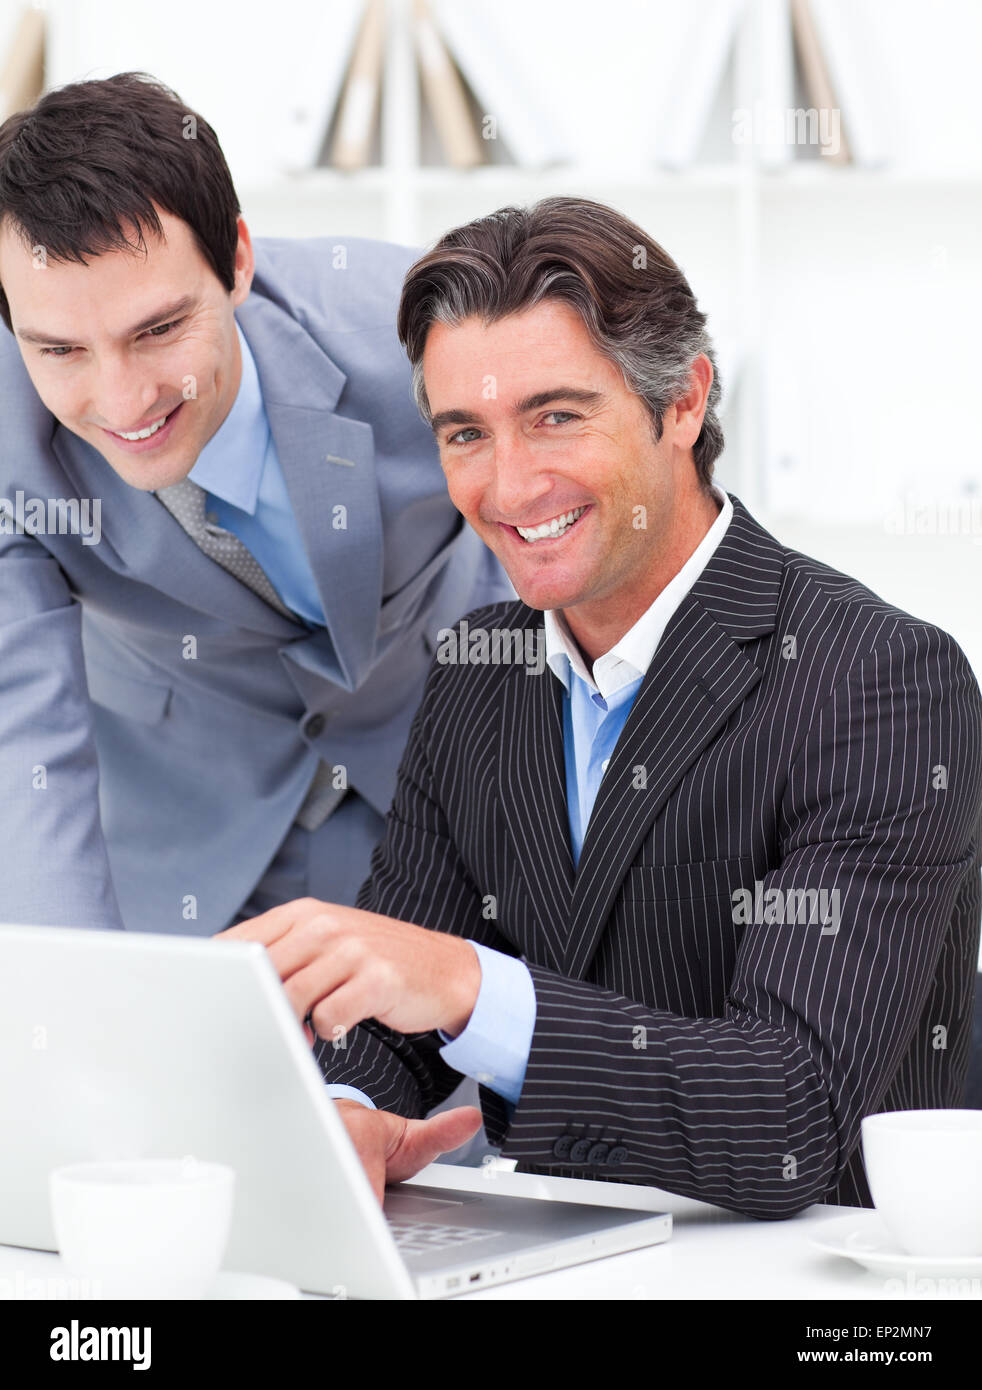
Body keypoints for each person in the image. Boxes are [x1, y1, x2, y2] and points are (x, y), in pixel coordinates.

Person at [220, 196, 982, 1216]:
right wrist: (355, 1104)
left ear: (683, 404)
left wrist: (471, 988)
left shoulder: (879, 679)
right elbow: (394, 1001)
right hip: (553, 1260)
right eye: (464, 433)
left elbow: (792, 1116)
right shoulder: (479, 670)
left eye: (555, 416)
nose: (507, 484)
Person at [0, 72, 511, 936]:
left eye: (158, 330)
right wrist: (75, 1003)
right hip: (189, 832)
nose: (122, 403)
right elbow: (21, 734)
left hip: (458, 797)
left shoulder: (422, 341)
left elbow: (604, 535)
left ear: (238, 259)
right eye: (59, 349)